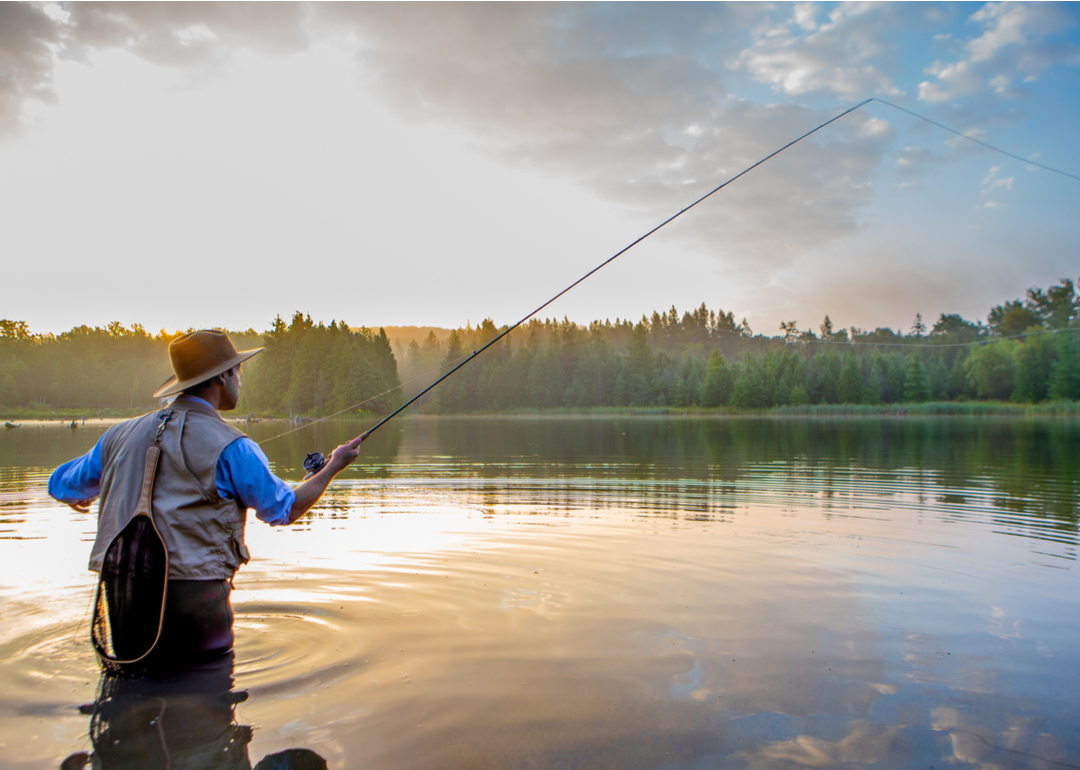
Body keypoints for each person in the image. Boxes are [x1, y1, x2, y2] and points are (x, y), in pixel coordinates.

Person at [49, 329, 365, 670]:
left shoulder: (116, 436)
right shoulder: (234, 447)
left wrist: (77, 497)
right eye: (237, 371)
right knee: (205, 701)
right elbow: (284, 509)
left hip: (124, 607)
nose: (240, 380)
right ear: (222, 377)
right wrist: (333, 466)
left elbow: (61, 484)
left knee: (132, 690)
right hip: (196, 615)